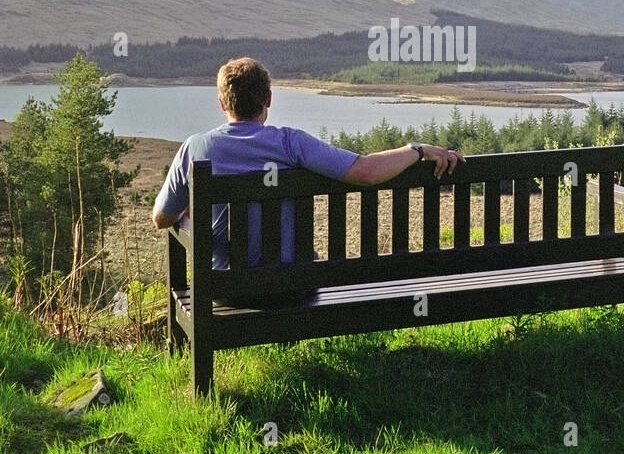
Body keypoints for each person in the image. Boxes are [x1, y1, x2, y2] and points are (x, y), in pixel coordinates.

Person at [152, 56, 464, 303]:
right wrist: (418, 149)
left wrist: (187, 218)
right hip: (293, 287)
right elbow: (367, 172)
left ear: (222, 103)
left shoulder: (195, 148)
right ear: (268, 99)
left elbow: (162, 218)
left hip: (224, 290)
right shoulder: (291, 144)